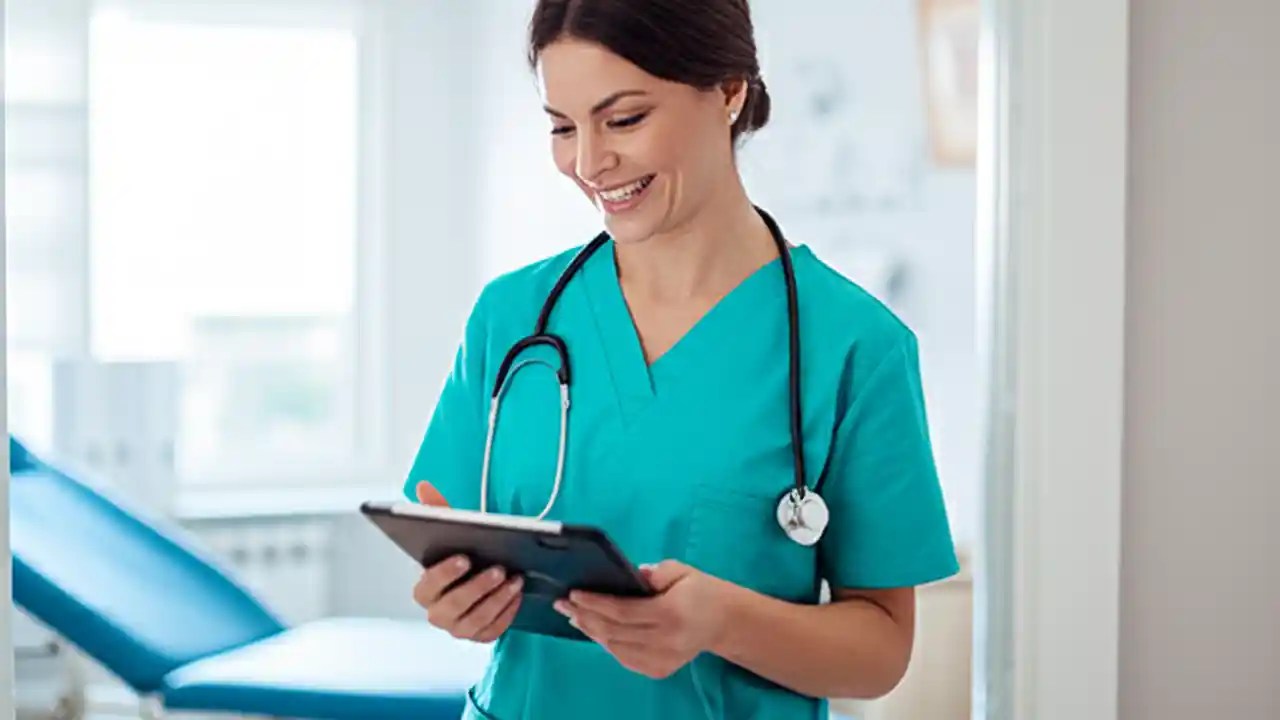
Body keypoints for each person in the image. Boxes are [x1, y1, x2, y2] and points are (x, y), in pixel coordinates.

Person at [404, 0, 959, 717]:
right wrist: (453, 602)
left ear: (730, 90)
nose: (588, 161)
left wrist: (722, 621)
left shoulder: (854, 346)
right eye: (562, 126)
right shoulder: (510, 319)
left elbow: (881, 651)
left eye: (625, 118)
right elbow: (445, 538)